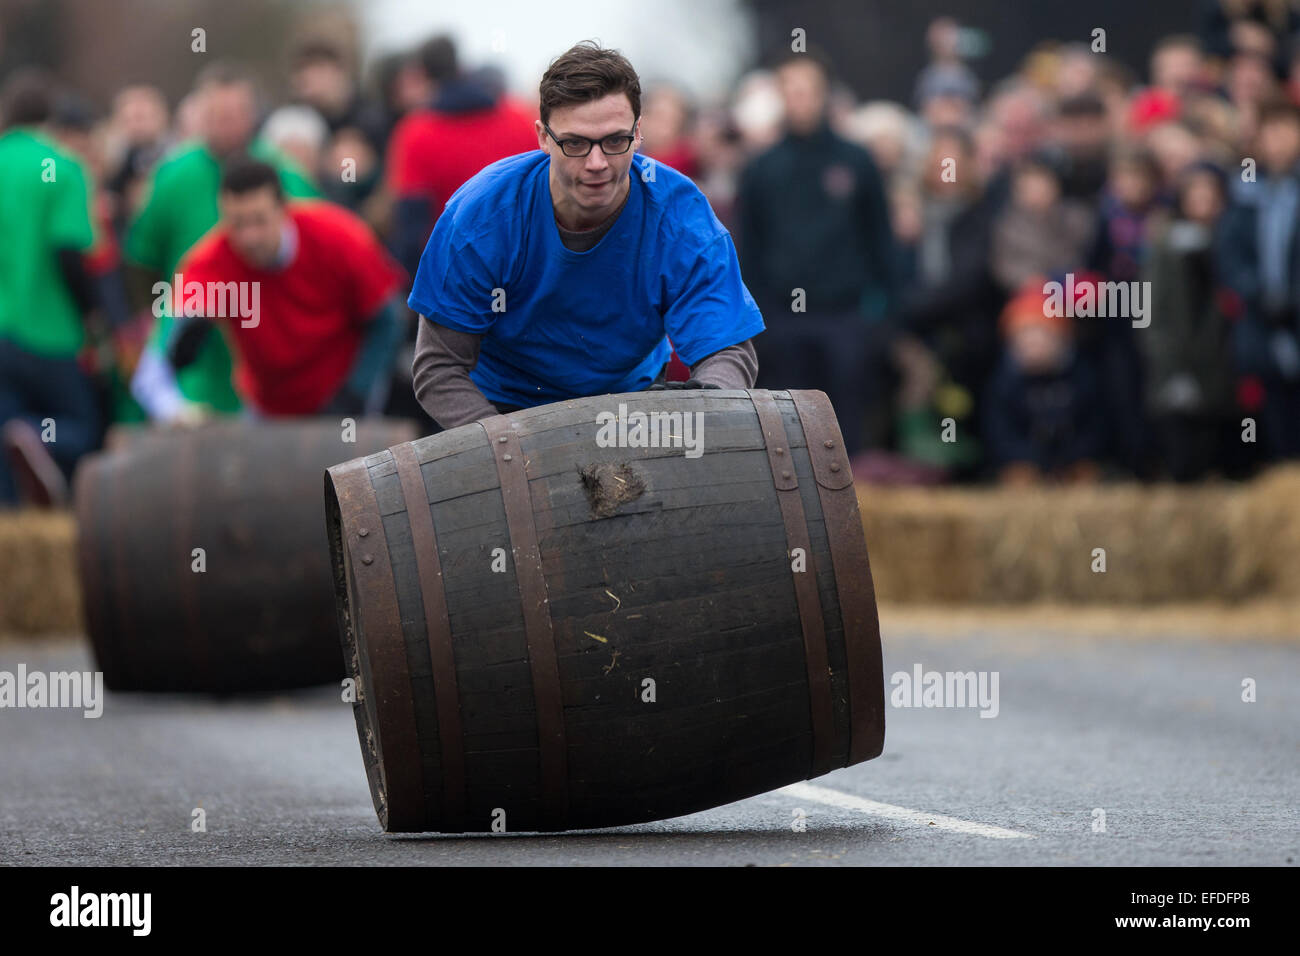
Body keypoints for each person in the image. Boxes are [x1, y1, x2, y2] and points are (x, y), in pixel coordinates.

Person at [409, 41, 762, 429]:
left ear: (638, 132)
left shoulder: (680, 215)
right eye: (575, 143)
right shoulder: (482, 216)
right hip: (503, 408)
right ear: (544, 137)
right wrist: (502, 449)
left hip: (635, 409)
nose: (597, 164)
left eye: (614, 141)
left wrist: (707, 417)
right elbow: (439, 367)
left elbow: (725, 349)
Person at [125, 62, 319, 421]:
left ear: (252, 115)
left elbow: (315, 255)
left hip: (271, 339)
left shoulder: (285, 174)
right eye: (216, 114)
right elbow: (143, 256)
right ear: (200, 114)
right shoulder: (172, 176)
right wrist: (158, 316)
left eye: (234, 114)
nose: (226, 124)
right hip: (193, 338)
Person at [737, 50, 897, 453]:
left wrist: (885, 314)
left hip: (845, 315)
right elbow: (749, 246)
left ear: (825, 94)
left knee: (847, 426)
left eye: (808, 90)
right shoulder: (761, 168)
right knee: (789, 429)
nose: (800, 99)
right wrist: (760, 319)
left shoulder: (856, 161)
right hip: (783, 320)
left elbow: (880, 237)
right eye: (790, 91)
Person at [164, 159, 405, 418]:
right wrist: (186, 333)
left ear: (283, 209)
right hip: (268, 406)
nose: (249, 237)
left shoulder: (339, 237)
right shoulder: (213, 259)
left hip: (342, 398)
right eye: (237, 223)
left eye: (259, 220)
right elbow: (184, 322)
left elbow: (388, 320)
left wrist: (358, 388)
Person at [0, 71, 101, 507]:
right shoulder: (61, 167)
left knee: (6, 451)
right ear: (50, 119)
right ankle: (45, 444)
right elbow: (67, 253)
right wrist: (91, 315)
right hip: (51, 330)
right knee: (83, 427)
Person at [1219, 98, 1300, 459]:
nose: (1279, 141)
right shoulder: (1246, 193)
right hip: (1262, 324)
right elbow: (1230, 255)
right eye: (1272, 132)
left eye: (1287, 130)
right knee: (1276, 421)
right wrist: (1259, 294)